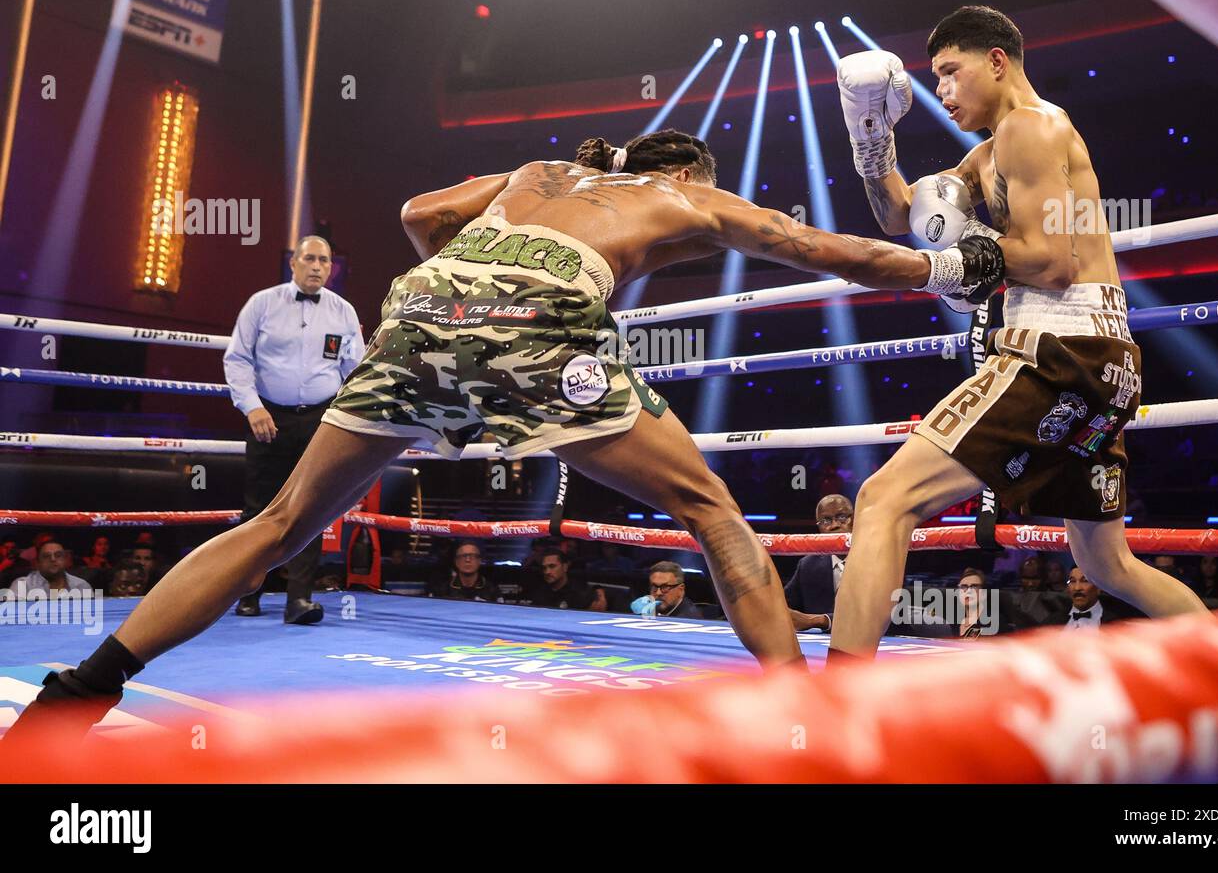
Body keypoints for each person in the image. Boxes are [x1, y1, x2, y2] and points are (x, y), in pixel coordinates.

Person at [6, 128, 1005, 740]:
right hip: (541, 325)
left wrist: (457, 334)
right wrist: (953, 271)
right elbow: (815, 246)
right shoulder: (689, 190)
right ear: (689, 170)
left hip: (424, 301)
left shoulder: (541, 167)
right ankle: (811, 726)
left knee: (276, 522)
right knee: (710, 508)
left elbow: (418, 209)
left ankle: (79, 691)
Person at [828, 5, 1209, 659]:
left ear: (997, 61)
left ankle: (833, 709)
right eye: (935, 78)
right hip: (1105, 363)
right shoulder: (990, 151)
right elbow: (902, 212)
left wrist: (951, 263)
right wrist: (871, 139)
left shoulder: (1029, 129)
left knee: (883, 500)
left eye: (950, 72)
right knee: (1106, 565)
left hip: (1057, 350)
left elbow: (1052, 261)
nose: (940, 90)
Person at [223, 234, 364, 624]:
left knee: (311, 506)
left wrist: (345, 417)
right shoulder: (262, 304)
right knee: (258, 508)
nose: (318, 266)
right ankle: (248, 593)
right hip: (268, 417)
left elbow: (354, 370)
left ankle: (298, 600)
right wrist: (252, 407)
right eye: (310, 259)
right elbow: (237, 359)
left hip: (322, 418)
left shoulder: (343, 311)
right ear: (294, 263)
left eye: (324, 260)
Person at [785, 493, 852, 632]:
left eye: (842, 517)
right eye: (826, 521)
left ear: (855, 519)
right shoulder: (808, 565)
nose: (834, 525)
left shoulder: (877, 560)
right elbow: (783, 607)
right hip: (817, 649)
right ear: (819, 527)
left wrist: (820, 621)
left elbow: (884, 614)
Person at [3, 540, 92, 599]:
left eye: (58, 555)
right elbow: (12, 622)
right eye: (46, 556)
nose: (53, 559)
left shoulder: (82, 586)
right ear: (37, 563)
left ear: (65, 560)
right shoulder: (23, 585)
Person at [429, 542, 502, 603]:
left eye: (472, 556)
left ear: (479, 561)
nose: (468, 560)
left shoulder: (492, 590)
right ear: (456, 562)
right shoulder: (441, 591)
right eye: (463, 556)